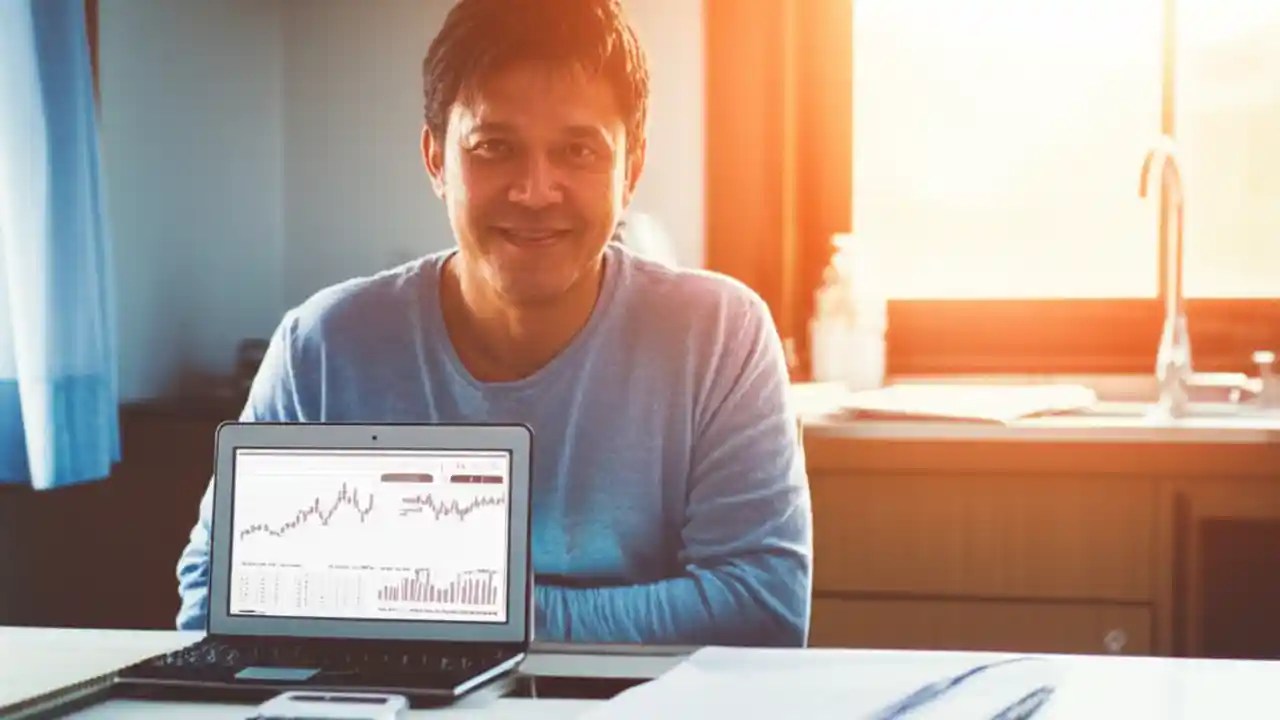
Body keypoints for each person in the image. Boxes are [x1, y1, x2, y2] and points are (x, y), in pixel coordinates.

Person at [175, 0, 812, 646]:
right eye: (494, 148)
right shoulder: (322, 348)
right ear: (435, 160)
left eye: (578, 151)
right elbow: (213, 600)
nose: (536, 191)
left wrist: (465, 623)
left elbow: (763, 609)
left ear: (632, 170)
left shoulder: (721, 337)